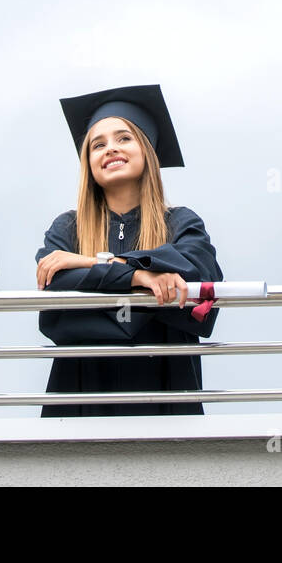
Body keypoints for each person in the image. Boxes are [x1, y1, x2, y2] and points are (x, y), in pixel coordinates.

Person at [34, 85, 222, 417]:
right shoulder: (67, 228)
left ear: (147, 151)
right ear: (88, 161)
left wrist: (92, 266)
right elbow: (54, 285)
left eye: (124, 138)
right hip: (80, 397)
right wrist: (139, 276)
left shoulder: (180, 223)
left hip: (165, 392)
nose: (110, 149)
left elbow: (199, 278)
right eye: (98, 144)